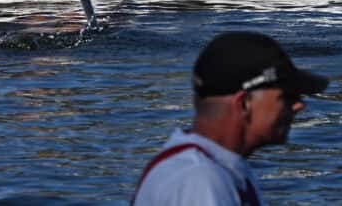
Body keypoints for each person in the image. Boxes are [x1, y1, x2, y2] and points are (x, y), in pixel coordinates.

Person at [132, 31, 329, 206]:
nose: (298, 105)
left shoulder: (221, 167)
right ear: (244, 103)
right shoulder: (198, 179)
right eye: (287, 96)